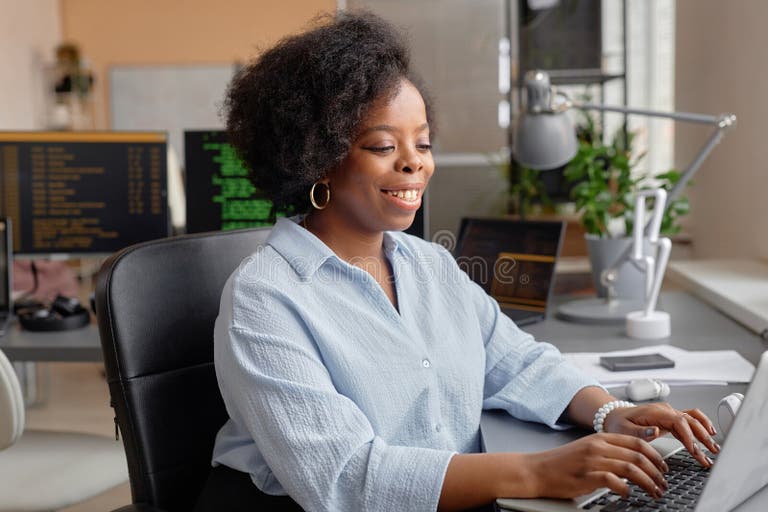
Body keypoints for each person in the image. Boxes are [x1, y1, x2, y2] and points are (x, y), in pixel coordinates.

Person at [196, 12, 720, 512]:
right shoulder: (264, 298)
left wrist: (610, 412)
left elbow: (514, 359)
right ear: (318, 158)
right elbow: (346, 480)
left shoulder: (429, 265)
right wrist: (538, 472)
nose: (415, 162)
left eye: (423, 143)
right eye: (383, 145)